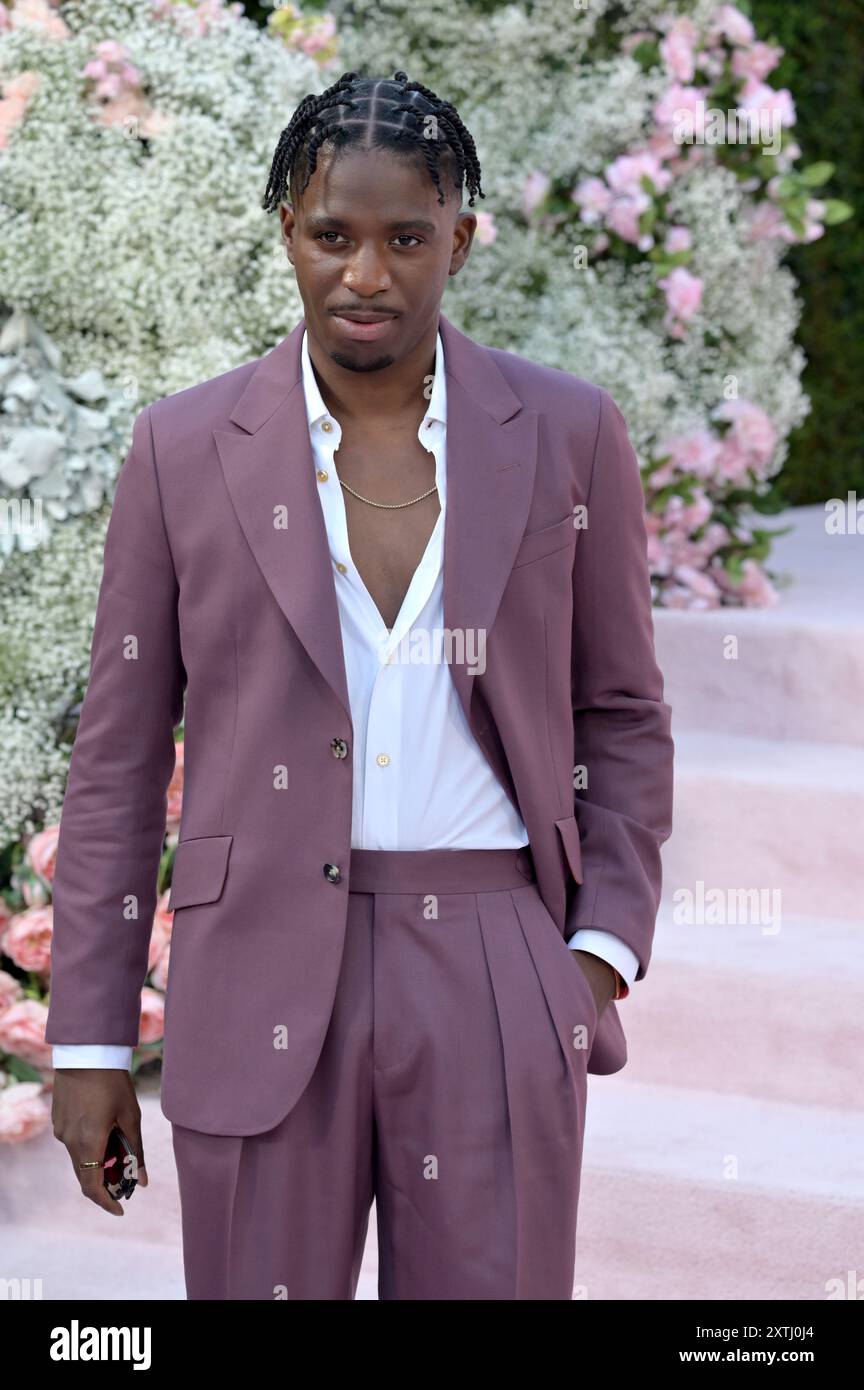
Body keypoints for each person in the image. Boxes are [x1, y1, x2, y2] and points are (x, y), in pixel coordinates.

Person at [46, 69, 674, 1300]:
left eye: (406, 238)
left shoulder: (566, 433)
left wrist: (593, 952)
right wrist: (88, 1039)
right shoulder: (181, 449)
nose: (367, 275)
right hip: (258, 963)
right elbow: (117, 759)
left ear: (462, 239)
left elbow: (624, 714)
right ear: (288, 228)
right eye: (333, 235)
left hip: (496, 957)